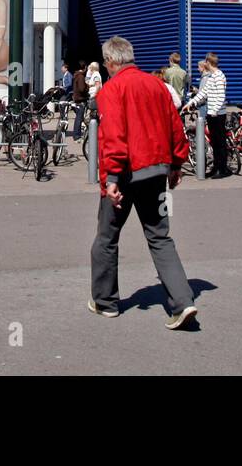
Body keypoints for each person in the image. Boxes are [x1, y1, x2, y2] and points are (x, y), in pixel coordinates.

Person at [89, 35, 197, 330]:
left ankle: (105, 302)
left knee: (107, 237)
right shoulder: (157, 85)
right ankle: (183, 301)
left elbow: (113, 136)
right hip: (156, 174)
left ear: (110, 62)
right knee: (160, 237)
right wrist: (176, 165)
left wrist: (111, 177)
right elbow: (176, 128)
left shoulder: (111, 90)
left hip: (124, 175)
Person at [184, 54, 230, 178]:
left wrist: (213, 111)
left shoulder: (219, 76)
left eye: (205, 61)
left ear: (208, 62)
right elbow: (204, 93)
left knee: (220, 143)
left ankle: (223, 169)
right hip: (212, 114)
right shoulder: (212, 76)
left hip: (218, 115)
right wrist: (191, 102)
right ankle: (216, 168)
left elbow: (221, 96)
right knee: (215, 143)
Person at [70, 61, 89, 141]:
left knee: (79, 117)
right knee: (79, 118)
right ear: (84, 67)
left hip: (76, 98)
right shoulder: (81, 76)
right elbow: (81, 88)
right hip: (80, 99)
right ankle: (77, 135)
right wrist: (87, 87)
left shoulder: (76, 75)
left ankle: (76, 134)